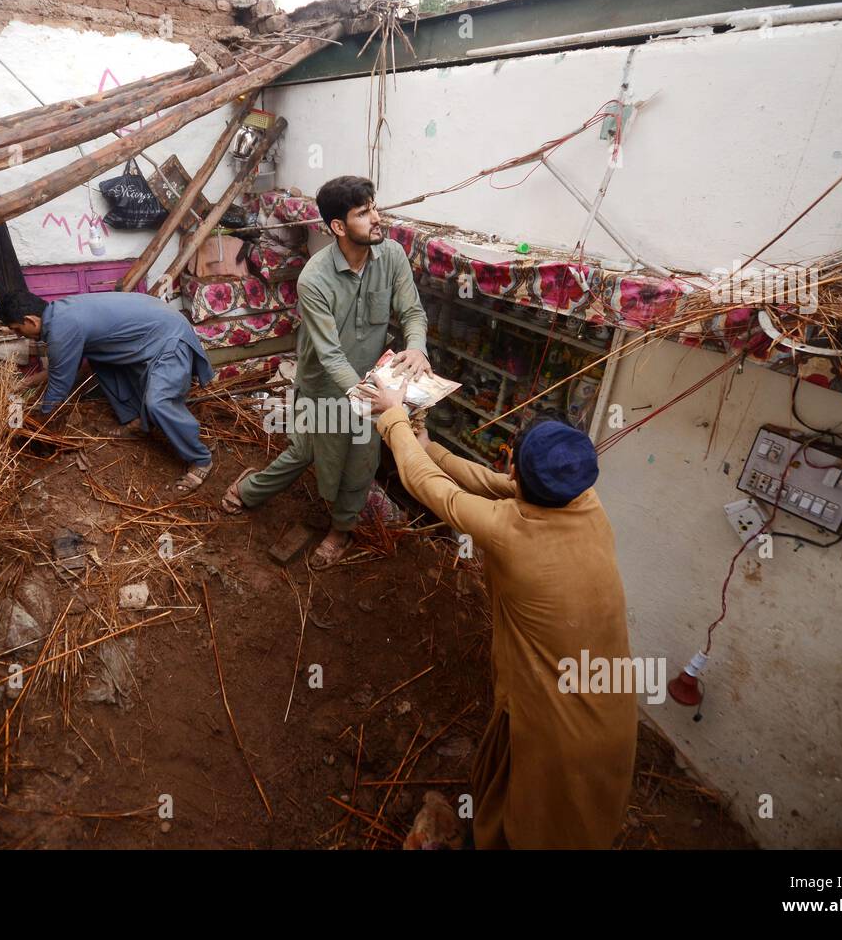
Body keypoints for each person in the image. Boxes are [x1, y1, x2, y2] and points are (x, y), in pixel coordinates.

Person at [363, 383, 637, 849]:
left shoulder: (514, 533)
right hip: (608, 709)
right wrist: (427, 442)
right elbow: (492, 484)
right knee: (563, 811)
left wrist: (391, 419)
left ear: (515, 466)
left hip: (557, 726)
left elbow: (431, 489)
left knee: (535, 824)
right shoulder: (585, 504)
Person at [220, 175, 430, 568]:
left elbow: (412, 312)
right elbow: (331, 356)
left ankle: (339, 531)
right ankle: (250, 490)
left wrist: (416, 346)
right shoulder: (314, 279)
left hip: (371, 385)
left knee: (362, 460)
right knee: (305, 452)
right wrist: (375, 399)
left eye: (374, 207)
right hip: (325, 388)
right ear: (338, 226)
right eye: (364, 212)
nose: (376, 217)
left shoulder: (393, 256)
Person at [0, 289, 215, 494]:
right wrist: (22, 386)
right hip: (156, 325)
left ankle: (201, 458)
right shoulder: (60, 313)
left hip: (169, 336)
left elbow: (59, 384)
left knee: (159, 403)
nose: (22, 336)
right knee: (100, 360)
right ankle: (136, 422)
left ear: (31, 321)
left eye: (18, 329)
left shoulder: (62, 328)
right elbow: (63, 368)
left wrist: (38, 426)